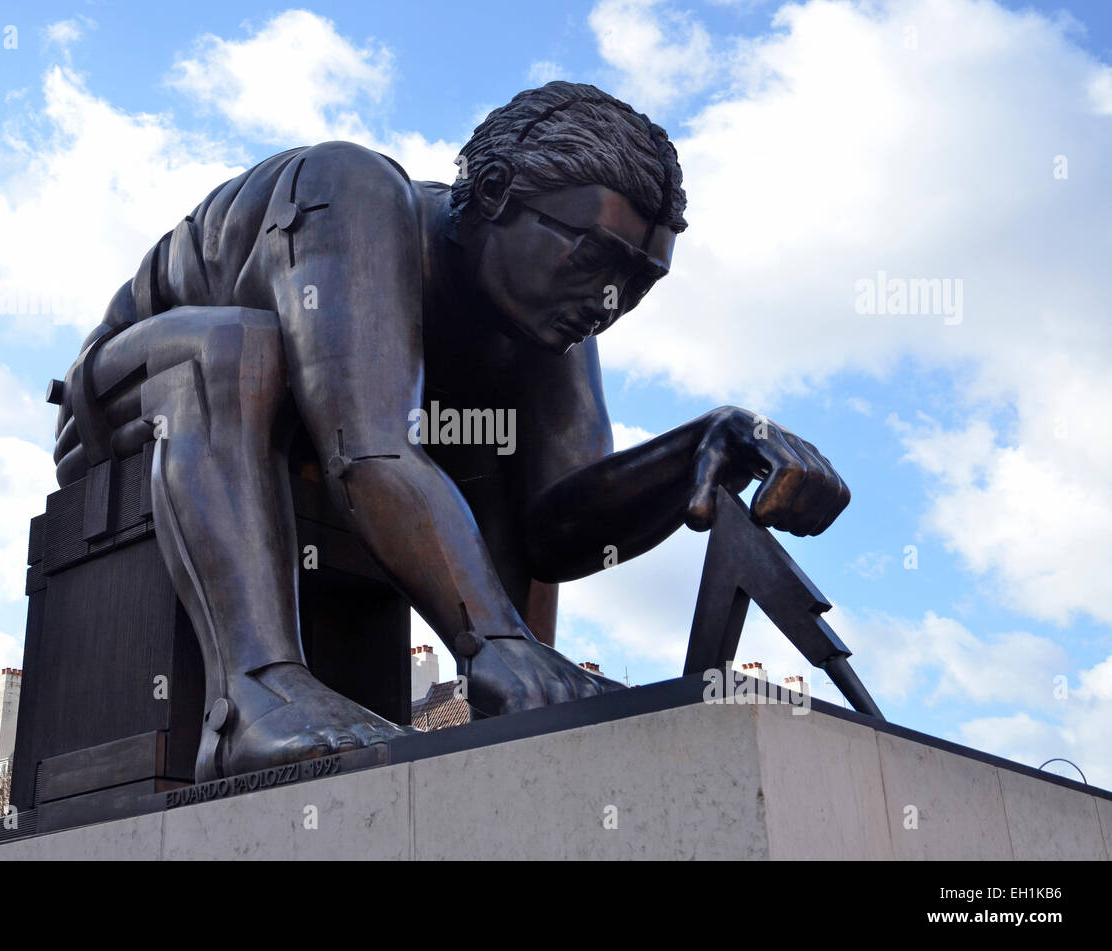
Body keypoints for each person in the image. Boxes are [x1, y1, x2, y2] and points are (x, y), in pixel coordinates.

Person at [52, 82, 850, 779]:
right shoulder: (352, 192)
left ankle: (510, 702)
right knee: (239, 351)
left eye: (636, 281)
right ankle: (250, 697)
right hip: (124, 402)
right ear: (494, 191)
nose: (608, 300)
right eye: (592, 257)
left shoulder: (553, 317)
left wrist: (706, 446)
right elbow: (366, 451)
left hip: (306, 432)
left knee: (490, 435)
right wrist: (494, 639)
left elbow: (559, 528)